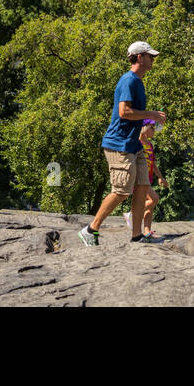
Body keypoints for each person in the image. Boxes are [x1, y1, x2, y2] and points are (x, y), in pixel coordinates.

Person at [79, 42, 166, 248]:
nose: (153, 59)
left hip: (134, 144)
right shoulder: (128, 80)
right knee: (121, 191)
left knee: (143, 185)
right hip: (119, 144)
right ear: (138, 57)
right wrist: (151, 114)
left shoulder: (138, 81)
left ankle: (137, 235)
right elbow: (124, 112)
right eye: (149, 55)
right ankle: (90, 229)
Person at [126, 119, 168, 238]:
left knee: (150, 205)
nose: (154, 130)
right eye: (152, 128)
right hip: (138, 179)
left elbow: (153, 164)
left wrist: (160, 177)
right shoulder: (136, 143)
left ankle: (147, 231)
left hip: (147, 179)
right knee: (154, 199)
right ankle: (132, 214)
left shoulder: (149, 145)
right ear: (144, 128)